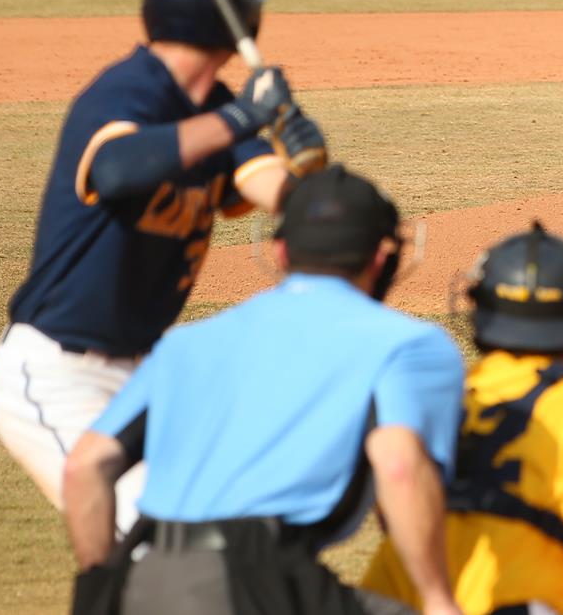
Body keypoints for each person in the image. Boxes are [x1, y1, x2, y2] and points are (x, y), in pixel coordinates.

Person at [0, 0, 327, 525]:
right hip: (57, 376)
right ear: (243, 17)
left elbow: (275, 195)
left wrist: (307, 173)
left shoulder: (217, 111)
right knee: (156, 543)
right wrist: (244, 116)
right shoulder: (125, 92)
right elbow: (118, 169)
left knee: (230, 530)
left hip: (144, 377)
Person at [63, 164, 467, 615]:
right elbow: (398, 468)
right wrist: (437, 600)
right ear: (382, 256)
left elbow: (84, 467)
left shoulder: (186, 342)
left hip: (142, 580)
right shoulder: (407, 344)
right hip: (252, 580)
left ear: (279, 252)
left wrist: (100, 590)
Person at [360, 222, 563, 615]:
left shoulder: (440, 391)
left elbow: (391, 478)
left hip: (387, 597)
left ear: (479, 307)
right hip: (511, 601)